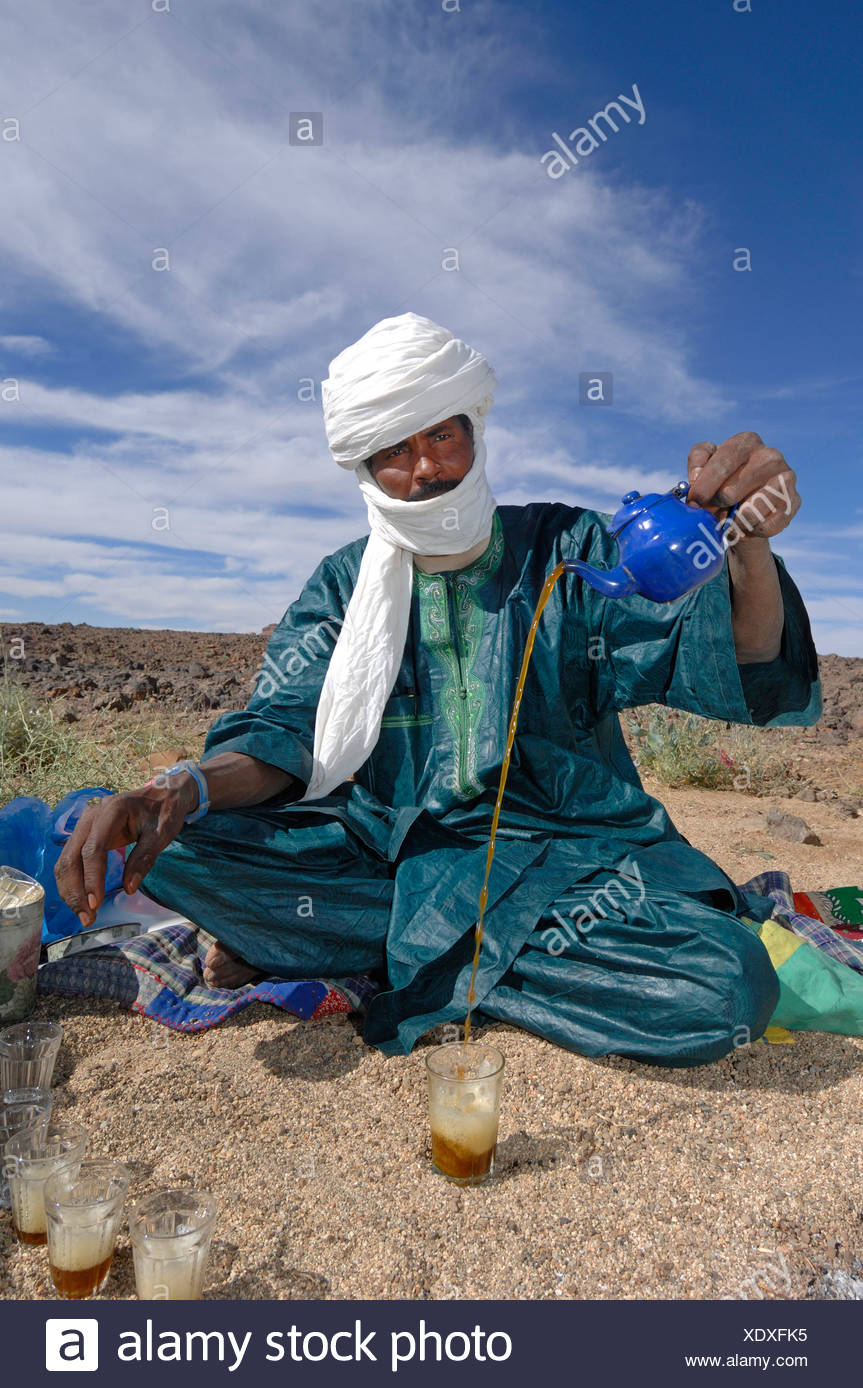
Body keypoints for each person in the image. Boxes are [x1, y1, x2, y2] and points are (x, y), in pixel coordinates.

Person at [55, 313, 820, 1066]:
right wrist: (182, 788)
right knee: (159, 839)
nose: (425, 469)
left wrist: (744, 545)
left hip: (566, 853)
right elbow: (286, 735)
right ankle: (438, 951)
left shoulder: (570, 547)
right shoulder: (342, 583)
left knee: (722, 989)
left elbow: (746, 652)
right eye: (394, 450)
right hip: (386, 845)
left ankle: (363, 949)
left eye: (440, 436)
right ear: (363, 467)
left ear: (472, 431)